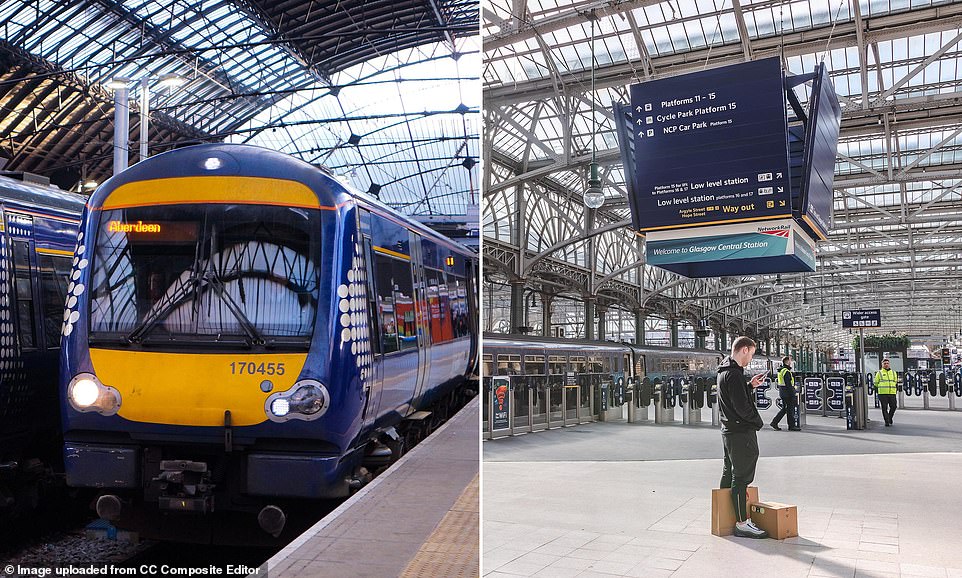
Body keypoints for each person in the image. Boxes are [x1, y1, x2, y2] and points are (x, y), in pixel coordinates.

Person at [717, 336, 768, 539]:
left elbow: (732, 396)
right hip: (740, 432)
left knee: (729, 472)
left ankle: (724, 514)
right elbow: (741, 407)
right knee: (741, 477)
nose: (751, 359)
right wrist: (757, 422)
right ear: (744, 349)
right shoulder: (735, 374)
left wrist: (749, 386)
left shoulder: (724, 372)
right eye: (752, 354)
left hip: (728, 431)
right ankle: (742, 523)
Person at [770, 356, 800, 431]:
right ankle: (791, 426)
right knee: (789, 410)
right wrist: (793, 393)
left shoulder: (782, 370)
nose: (791, 363)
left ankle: (775, 422)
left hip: (783, 392)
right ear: (787, 362)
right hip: (787, 393)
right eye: (790, 361)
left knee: (785, 409)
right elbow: (788, 384)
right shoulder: (786, 371)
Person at [874, 358, 898, 426]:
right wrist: (878, 391)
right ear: (882, 365)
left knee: (894, 406)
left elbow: (895, 382)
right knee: (884, 408)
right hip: (882, 393)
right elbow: (876, 383)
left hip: (892, 393)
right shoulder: (879, 373)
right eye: (885, 364)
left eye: (887, 363)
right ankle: (886, 421)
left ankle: (889, 417)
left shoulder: (893, 373)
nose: (886, 365)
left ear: (889, 364)